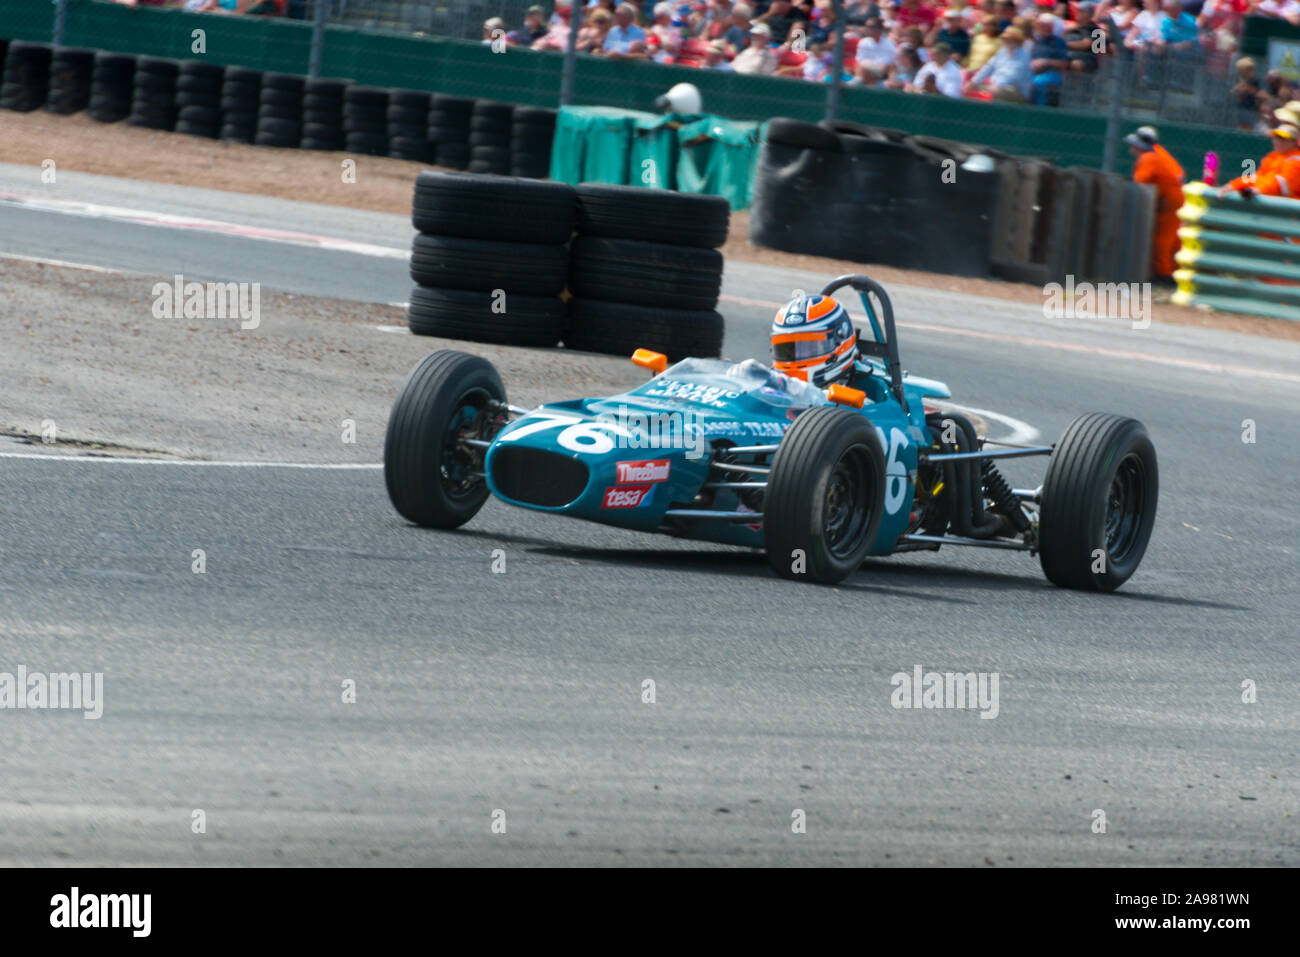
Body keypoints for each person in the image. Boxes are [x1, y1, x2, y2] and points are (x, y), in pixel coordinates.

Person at [1125, 126, 1184, 277]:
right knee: (1171, 239)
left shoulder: (1149, 158)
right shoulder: (1158, 154)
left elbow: (1139, 183)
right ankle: (1172, 272)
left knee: (1162, 241)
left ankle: (1163, 275)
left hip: (1170, 201)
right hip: (1172, 199)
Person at [770, 295, 860, 388]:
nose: (798, 356)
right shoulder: (770, 391)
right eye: (789, 351)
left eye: (810, 347)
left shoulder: (866, 400)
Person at [1220, 123, 1300, 198]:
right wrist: (1233, 186)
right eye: (1275, 137)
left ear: (1295, 142)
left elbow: (1280, 185)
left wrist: (1258, 190)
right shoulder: (1274, 157)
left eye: (1283, 138)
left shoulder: (1296, 161)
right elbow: (1257, 177)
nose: (1277, 141)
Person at [967, 25, 1032, 99]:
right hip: (996, 86)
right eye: (1005, 39)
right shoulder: (1001, 52)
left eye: (1009, 39)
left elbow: (1013, 75)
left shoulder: (1024, 55)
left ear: (1017, 40)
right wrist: (973, 82)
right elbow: (988, 67)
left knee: (998, 92)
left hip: (1016, 90)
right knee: (971, 87)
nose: (1006, 41)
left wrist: (998, 85)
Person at [1029, 12, 1069, 103]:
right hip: (1032, 72)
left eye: (1043, 25)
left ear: (1051, 27)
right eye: (1038, 24)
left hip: (1052, 73)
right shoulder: (1035, 40)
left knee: (1037, 82)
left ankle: (1040, 111)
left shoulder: (1058, 42)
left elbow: (1064, 63)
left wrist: (1045, 62)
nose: (1039, 27)